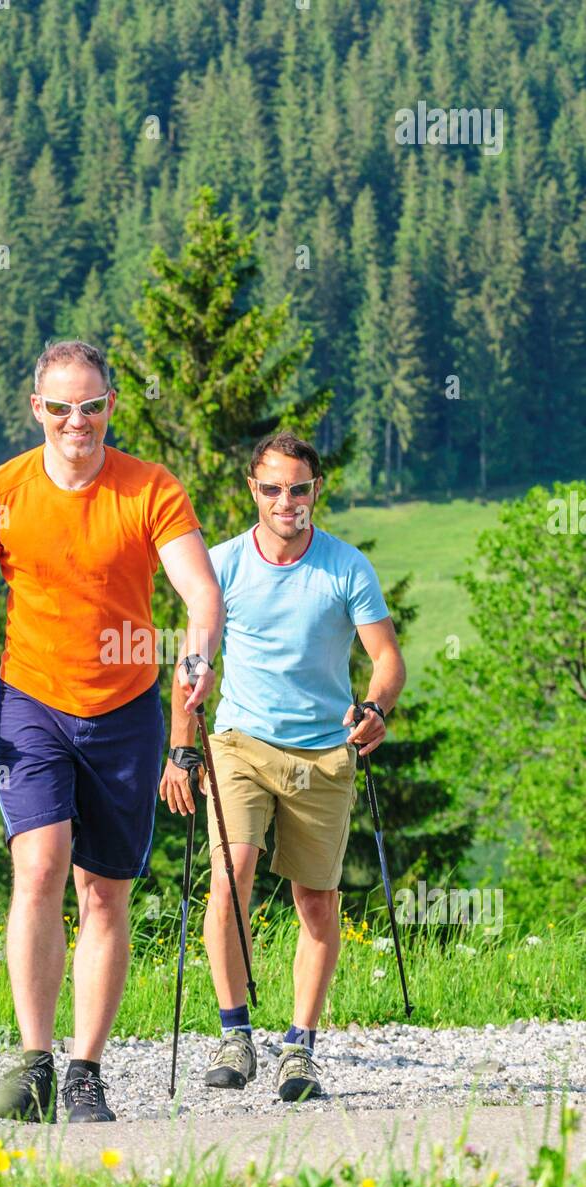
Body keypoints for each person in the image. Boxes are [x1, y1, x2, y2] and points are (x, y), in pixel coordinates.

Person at [0, 340, 223, 1122]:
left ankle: (85, 1070)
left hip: (125, 709)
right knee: (39, 867)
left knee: (103, 895)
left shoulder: (149, 489)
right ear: (37, 409)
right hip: (30, 700)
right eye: (60, 407)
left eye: (91, 406)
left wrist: (196, 657)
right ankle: (34, 1063)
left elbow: (199, 592)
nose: (76, 422)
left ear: (110, 407)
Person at [160, 431, 405, 1102]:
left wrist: (375, 707)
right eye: (271, 488)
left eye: (298, 489)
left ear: (315, 491)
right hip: (239, 743)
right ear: (252, 490)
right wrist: (181, 750)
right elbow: (192, 665)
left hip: (323, 753)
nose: (285, 501)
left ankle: (299, 1047)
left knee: (316, 903)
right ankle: (234, 1031)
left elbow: (386, 660)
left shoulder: (345, 566)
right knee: (231, 873)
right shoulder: (220, 567)